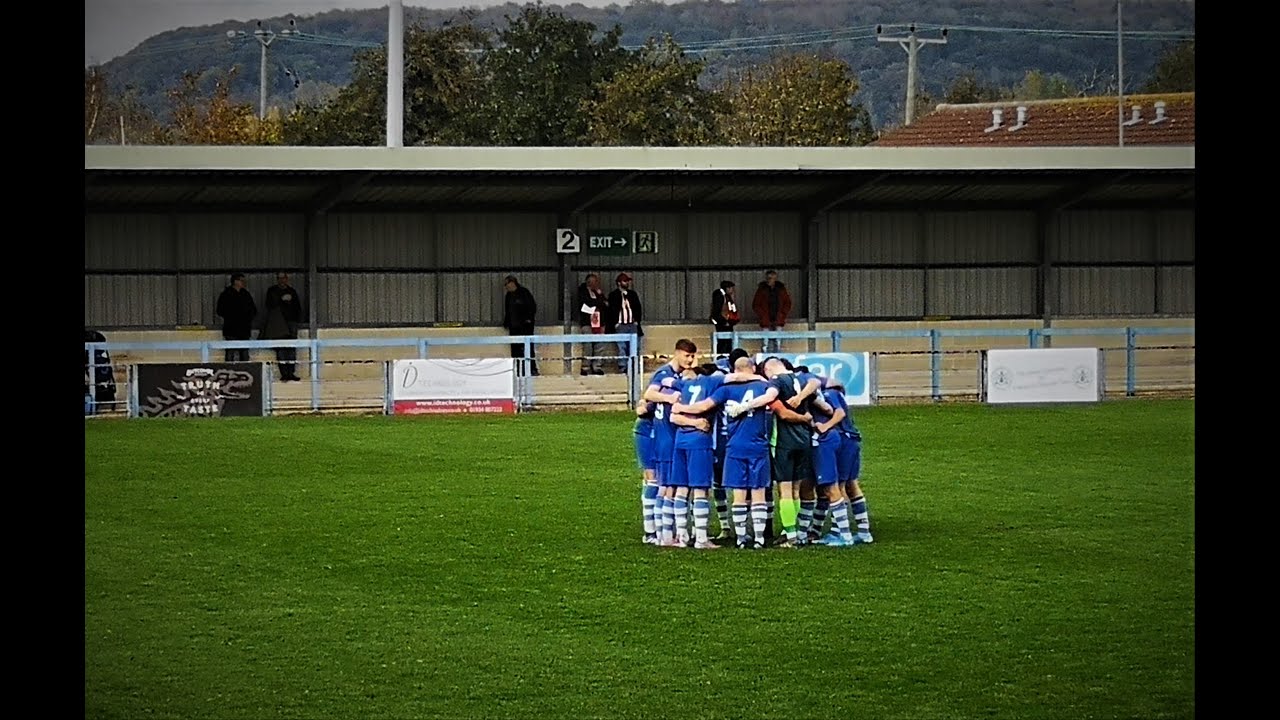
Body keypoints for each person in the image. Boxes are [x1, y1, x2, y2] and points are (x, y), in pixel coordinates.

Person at [673, 355, 786, 549]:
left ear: (735, 370)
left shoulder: (726, 389)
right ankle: (759, 538)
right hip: (758, 445)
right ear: (752, 369)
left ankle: (740, 538)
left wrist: (681, 408)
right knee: (758, 492)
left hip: (734, 446)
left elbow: (704, 406)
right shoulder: (764, 386)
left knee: (739, 493)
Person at [643, 339, 699, 547]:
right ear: (677, 353)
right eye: (687, 355)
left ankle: (664, 533)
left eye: (692, 356)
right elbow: (649, 394)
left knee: (667, 486)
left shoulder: (677, 377)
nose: (690, 360)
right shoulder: (664, 374)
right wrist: (671, 398)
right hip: (665, 438)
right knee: (666, 487)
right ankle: (663, 535)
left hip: (667, 438)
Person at [261, 272, 304, 381]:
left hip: (291, 322)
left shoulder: (292, 291)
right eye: (279, 278)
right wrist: (281, 300)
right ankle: (284, 373)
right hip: (278, 324)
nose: (282, 280)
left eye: (283, 278)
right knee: (280, 348)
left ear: (286, 279)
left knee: (291, 348)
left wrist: (296, 319)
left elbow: (297, 307)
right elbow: (269, 305)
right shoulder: (272, 291)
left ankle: (291, 372)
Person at [606, 272, 643, 374]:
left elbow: (638, 308)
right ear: (619, 283)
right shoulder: (613, 295)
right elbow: (611, 311)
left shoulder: (632, 294)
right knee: (622, 347)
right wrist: (615, 323)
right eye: (624, 281)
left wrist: (637, 321)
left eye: (627, 281)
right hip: (621, 325)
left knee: (634, 347)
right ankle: (623, 367)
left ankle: (634, 367)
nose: (627, 283)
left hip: (632, 325)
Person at [502, 274, 539, 376]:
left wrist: (528, 320)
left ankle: (532, 369)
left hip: (525, 326)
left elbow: (532, 307)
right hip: (513, 327)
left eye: (507, 284)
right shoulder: (508, 296)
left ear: (513, 283)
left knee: (528, 348)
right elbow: (508, 311)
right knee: (515, 349)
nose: (506, 287)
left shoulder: (524, 292)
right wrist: (506, 322)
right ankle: (517, 370)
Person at [216, 273, 257, 362]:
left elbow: (253, 310)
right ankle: (228, 370)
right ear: (235, 281)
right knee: (230, 352)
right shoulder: (226, 294)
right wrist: (231, 316)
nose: (244, 283)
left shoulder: (246, 294)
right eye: (242, 281)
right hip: (231, 329)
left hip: (244, 328)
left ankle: (245, 370)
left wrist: (248, 318)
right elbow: (220, 310)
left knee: (244, 353)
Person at [751, 270, 793, 353]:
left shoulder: (781, 289)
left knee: (778, 340)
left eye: (772, 278)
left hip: (778, 318)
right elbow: (756, 304)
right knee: (765, 341)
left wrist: (783, 313)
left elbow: (787, 303)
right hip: (766, 319)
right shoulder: (762, 289)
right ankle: (764, 354)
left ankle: (778, 355)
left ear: (775, 278)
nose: (770, 280)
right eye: (768, 278)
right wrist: (762, 315)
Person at [576, 272, 608, 376]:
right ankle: (585, 367)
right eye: (592, 282)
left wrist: (599, 297)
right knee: (588, 345)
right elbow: (585, 304)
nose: (595, 284)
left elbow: (606, 304)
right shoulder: (582, 291)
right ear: (588, 282)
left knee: (600, 345)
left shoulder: (598, 292)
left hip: (600, 322)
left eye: (596, 282)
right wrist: (598, 303)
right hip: (587, 322)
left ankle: (597, 366)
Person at [709, 280, 740, 356]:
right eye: (731, 288)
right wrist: (724, 321)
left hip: (728, 322)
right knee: (723, 342)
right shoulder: (720, 296)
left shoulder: (727, 297)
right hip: (723, 323)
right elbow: (717, 311)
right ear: (727, 288)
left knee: (728, 342)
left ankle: (727, 355)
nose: (733, 291)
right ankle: (721, 357)